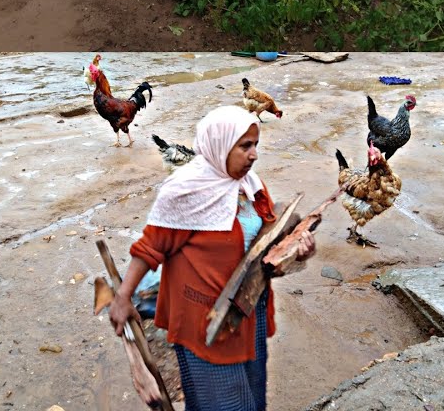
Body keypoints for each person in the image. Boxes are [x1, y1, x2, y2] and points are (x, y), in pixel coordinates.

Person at [108, 106, 316, 411]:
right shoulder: (186, 190)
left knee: (251, 396)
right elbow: (151, 247)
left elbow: (268, 244)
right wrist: (123, 297)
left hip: (247, 310)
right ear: (220, 145)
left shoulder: (251, 186)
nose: (254, 155)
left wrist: (298, 249)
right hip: (204, 321)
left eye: (256, 145)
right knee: (225, 403)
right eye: (245, 146)